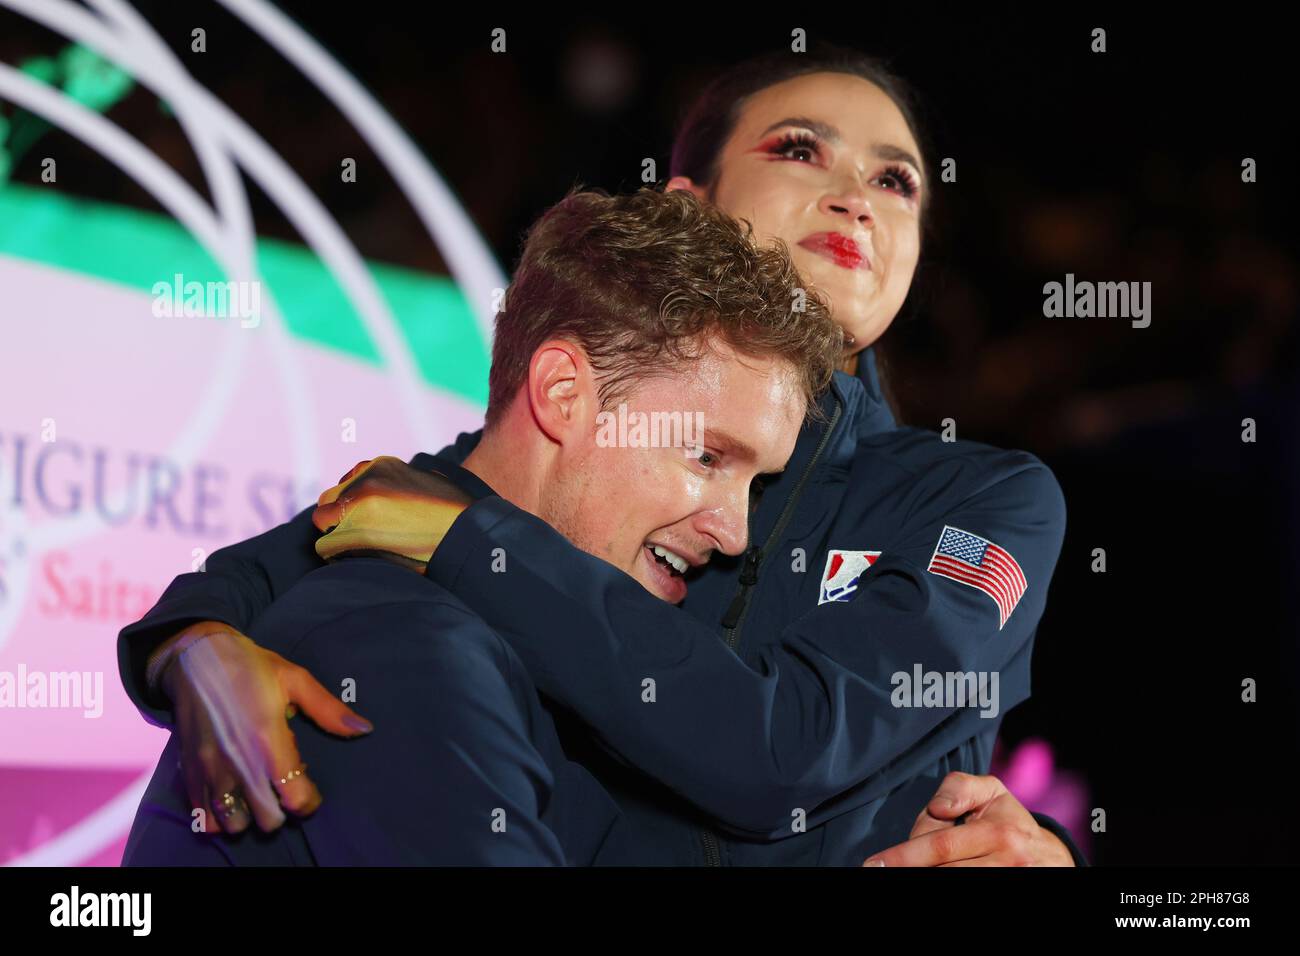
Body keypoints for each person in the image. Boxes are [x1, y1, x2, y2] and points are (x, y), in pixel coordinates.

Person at [119, 48, 1082, 866]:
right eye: (800, 148)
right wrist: (194, 646)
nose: (857, 199)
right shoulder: (541, 473)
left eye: (896, 179)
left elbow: (787, 750)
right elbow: (317, 551)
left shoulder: (983, 496)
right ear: (686, 204)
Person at [122, 186, 844, 865]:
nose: (737, 532)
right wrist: (190, 640)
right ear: (563, 395)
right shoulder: (406, 640)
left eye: (756, 484)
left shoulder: (526, 634)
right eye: (706, 455)